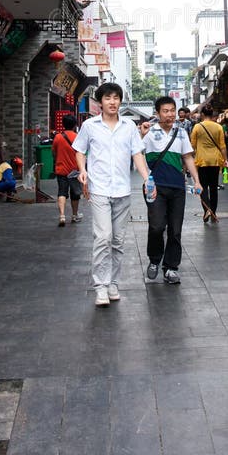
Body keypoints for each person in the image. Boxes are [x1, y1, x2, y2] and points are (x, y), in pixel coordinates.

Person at [74, 82, 152, 307]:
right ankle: (100, 285)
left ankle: (113, 282)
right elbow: (79, 150)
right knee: (103, 237)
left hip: (122, 190)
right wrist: (82, 170)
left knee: (118, 240)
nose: (112, 102)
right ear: (100, 102)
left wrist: (147, 178)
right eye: (108, 98)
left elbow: (137, 154)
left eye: (116, 98)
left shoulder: (128, 126)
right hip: (99, 190)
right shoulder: (90, 126)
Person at [141, 96, 202, 285]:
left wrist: (197, 181)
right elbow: (135, 152)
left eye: (172, 110)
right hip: (155, 188)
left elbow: (188, 157)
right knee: (157, 226)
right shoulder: (149, 132)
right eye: (165, 111)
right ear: (157, 113)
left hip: (178, 187)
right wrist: (141, 135)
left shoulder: (182, 133)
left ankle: (171, 267)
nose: (169, 114)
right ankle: (154, 259)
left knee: (175, 230)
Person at [190, 104, 228, 223]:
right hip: (215, 160)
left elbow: (192, 145)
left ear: (202, 114)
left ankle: (206, 210)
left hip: (201, 161)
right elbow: (222, 146)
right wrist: (225, 159)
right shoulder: (218, 127)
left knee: (203, 187)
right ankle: (213, 212)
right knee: (213, 187)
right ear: (212, 115)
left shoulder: (197, 127)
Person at [52, 114, 83, 227]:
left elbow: (54, 153)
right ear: (75, 125)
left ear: (63, 124)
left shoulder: (58, 137)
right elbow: (82, 153)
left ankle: (62, 216)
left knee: (62, 192)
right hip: (74, 170)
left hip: (61, 170)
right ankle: (74, 216)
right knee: (75, 194)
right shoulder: (78, 137)